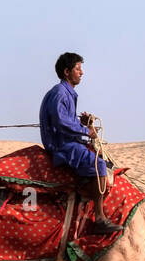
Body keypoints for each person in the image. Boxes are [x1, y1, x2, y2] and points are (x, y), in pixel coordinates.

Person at [38, 52, 122, 235]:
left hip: (68, 141)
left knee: (103, 159)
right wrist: (86, 131)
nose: (81, 72)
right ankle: (99, 218)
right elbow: (61, 122)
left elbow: (66, 120)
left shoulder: (65, 93)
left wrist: (82, 124)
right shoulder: (60, 93)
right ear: (67, 72)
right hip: (62, 146)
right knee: (99, 164)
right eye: (78, 69)